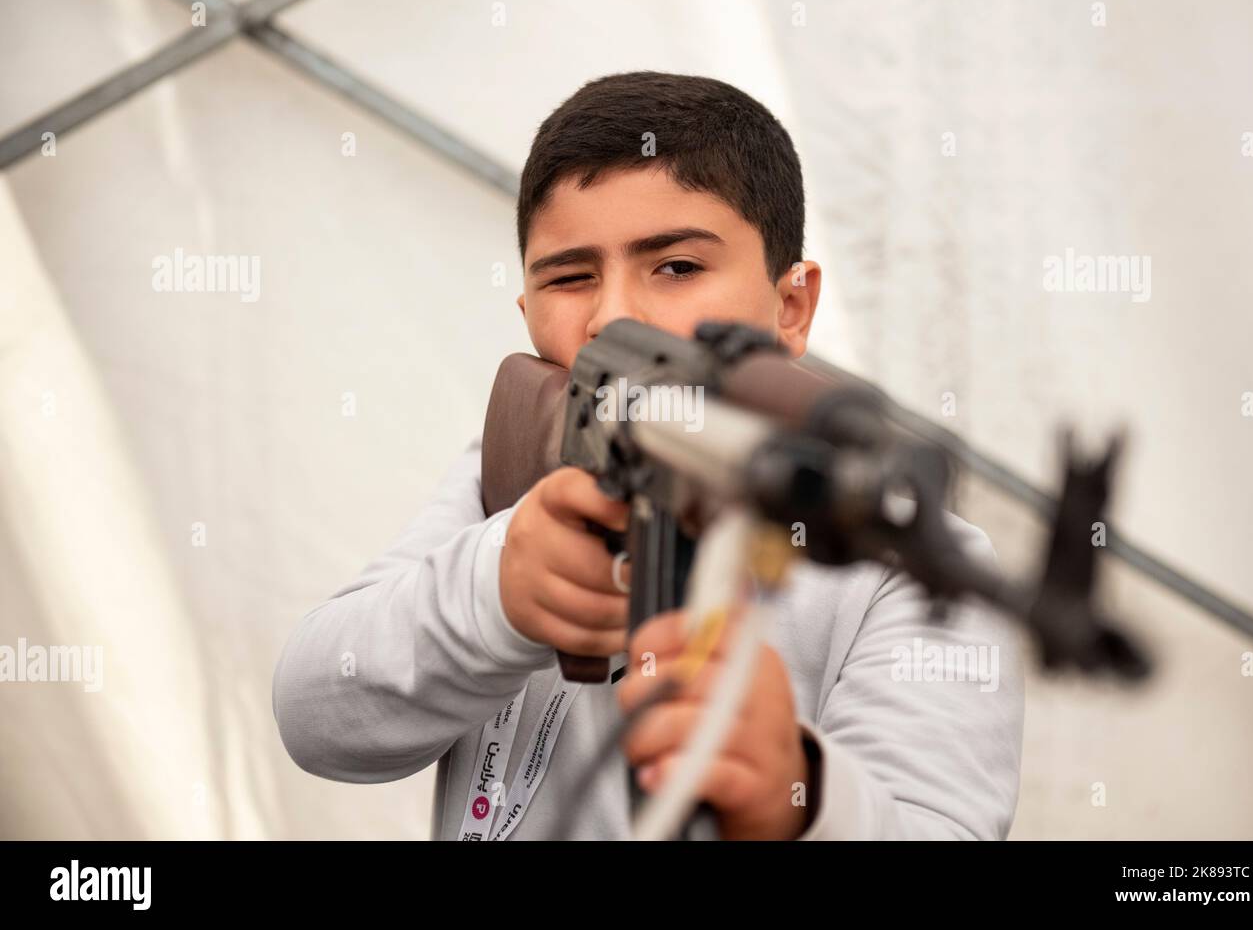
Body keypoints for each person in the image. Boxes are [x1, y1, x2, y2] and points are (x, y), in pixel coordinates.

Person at [272, 71, 1024, 840]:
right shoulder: (506, 479)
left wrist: (801, 795)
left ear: (791, 306)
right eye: (571, 277)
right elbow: (314, 711)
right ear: (526, 311)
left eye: (677, 267)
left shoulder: (907, 565)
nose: (615, 315)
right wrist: (496, 593)